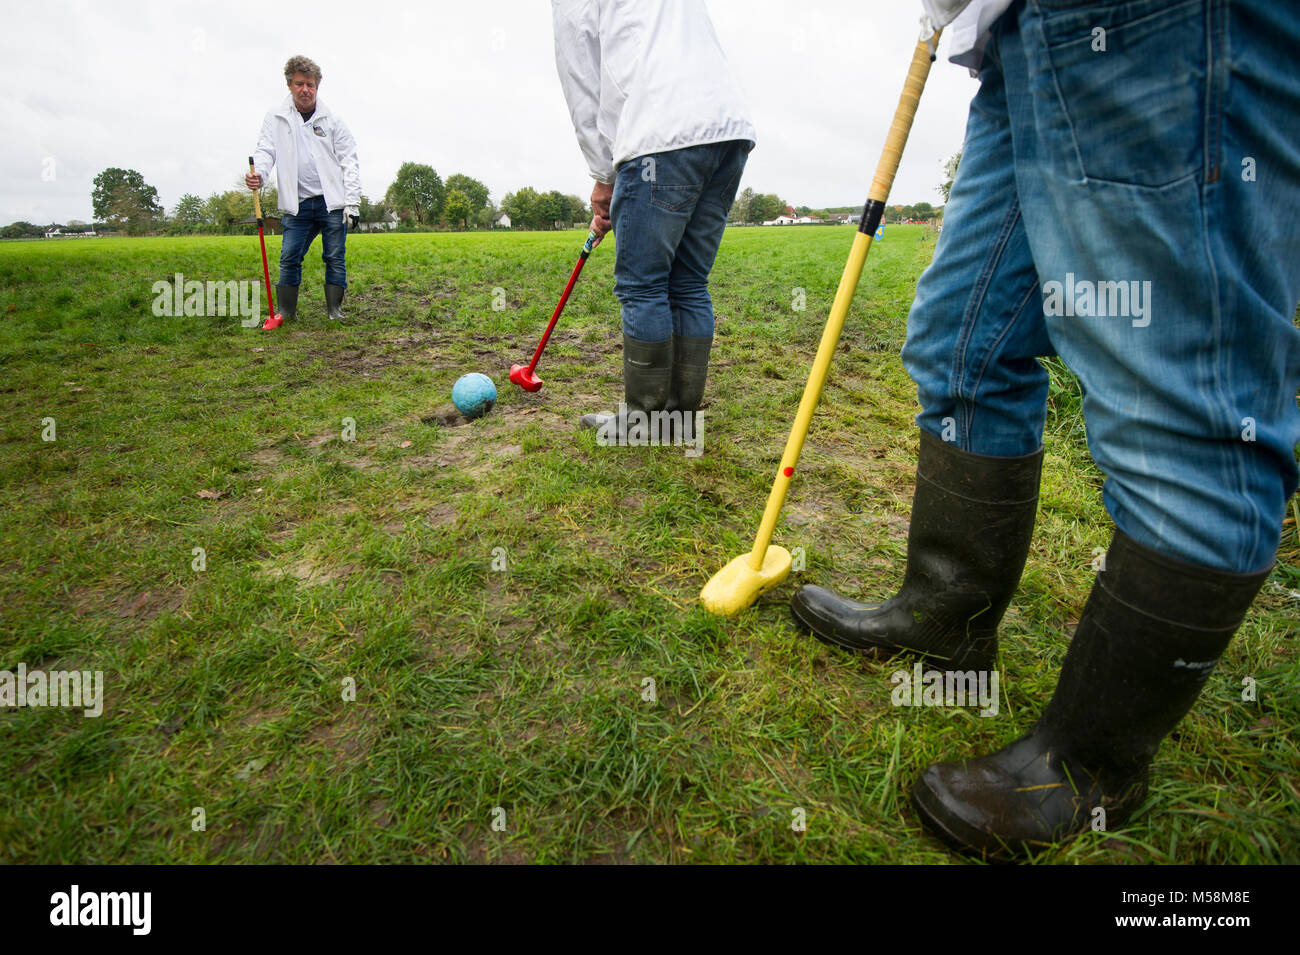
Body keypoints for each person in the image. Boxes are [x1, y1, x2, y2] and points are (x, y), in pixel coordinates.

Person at [790, 0, 1300, 858]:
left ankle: (1092, 764)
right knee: (963, 346)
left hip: (1162, 21)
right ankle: (947, 620)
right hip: (1020, 40)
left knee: (1182, 395)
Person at [551, 0, 756, 445]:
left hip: (660, 132)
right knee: (688, 283)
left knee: (643, 285)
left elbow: (582, 82)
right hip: (729, 130)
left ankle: (645, 421)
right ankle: (678, 419)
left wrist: (602, 177)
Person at [247, 55, 361, 323]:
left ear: (317, 86)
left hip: (331, 202)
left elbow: (350, 161)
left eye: (310, 84)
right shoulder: (276, 118)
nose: (305, 89)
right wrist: (259, 174)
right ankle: (287, 312)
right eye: (299, 84)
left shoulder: (332, 120)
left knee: (334, 256)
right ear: (289, 84)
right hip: (296, 203)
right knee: (289, 256)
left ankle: (335, 311)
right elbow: (265, 151)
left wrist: (352, 203)